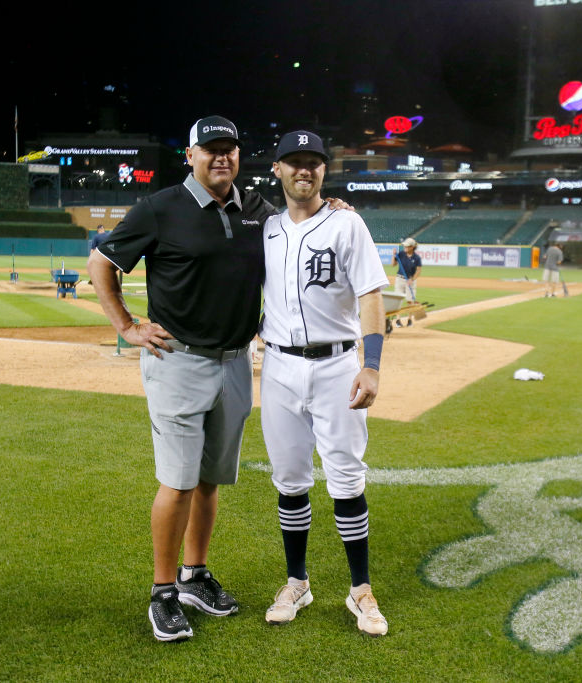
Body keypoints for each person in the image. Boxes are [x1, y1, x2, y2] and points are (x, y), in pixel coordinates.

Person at [87, 115, 272, 642]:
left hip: (235, 362)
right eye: (210, 150)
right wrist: (126, 325)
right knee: (178, 481)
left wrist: (333, 208)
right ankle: (163, 592)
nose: (222, 158)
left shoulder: (256, 208)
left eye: (230, 150)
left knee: (210, 479)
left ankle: (195, 576)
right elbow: (102, 261)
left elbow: (300, 228)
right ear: (189, 155)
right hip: (179, 361)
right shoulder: (160, 207)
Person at [258, 130, 390, 636]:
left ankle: (360, 589)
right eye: (294, 162)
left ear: (323, 171)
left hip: (337, 366)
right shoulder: (265, 227)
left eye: (313, 162)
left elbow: (371, 296)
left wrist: (371, 364)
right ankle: (297, 581)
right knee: (290, 480)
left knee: (347, 480)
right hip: (280, 369)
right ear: (278, 170)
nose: (304, 170)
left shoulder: (347, 223)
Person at [392, 237, 422, 302]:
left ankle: (411, 312)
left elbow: (418, 270)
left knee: (410, 301)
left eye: (407, 246)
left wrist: (412, 279)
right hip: (399, 279)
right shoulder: (401, 254)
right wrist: (394, 255)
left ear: (412, 247)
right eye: (405, 246)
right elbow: (393, 264)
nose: (405, 247)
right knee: (397, 300)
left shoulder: (417, 258)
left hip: (410, 280)